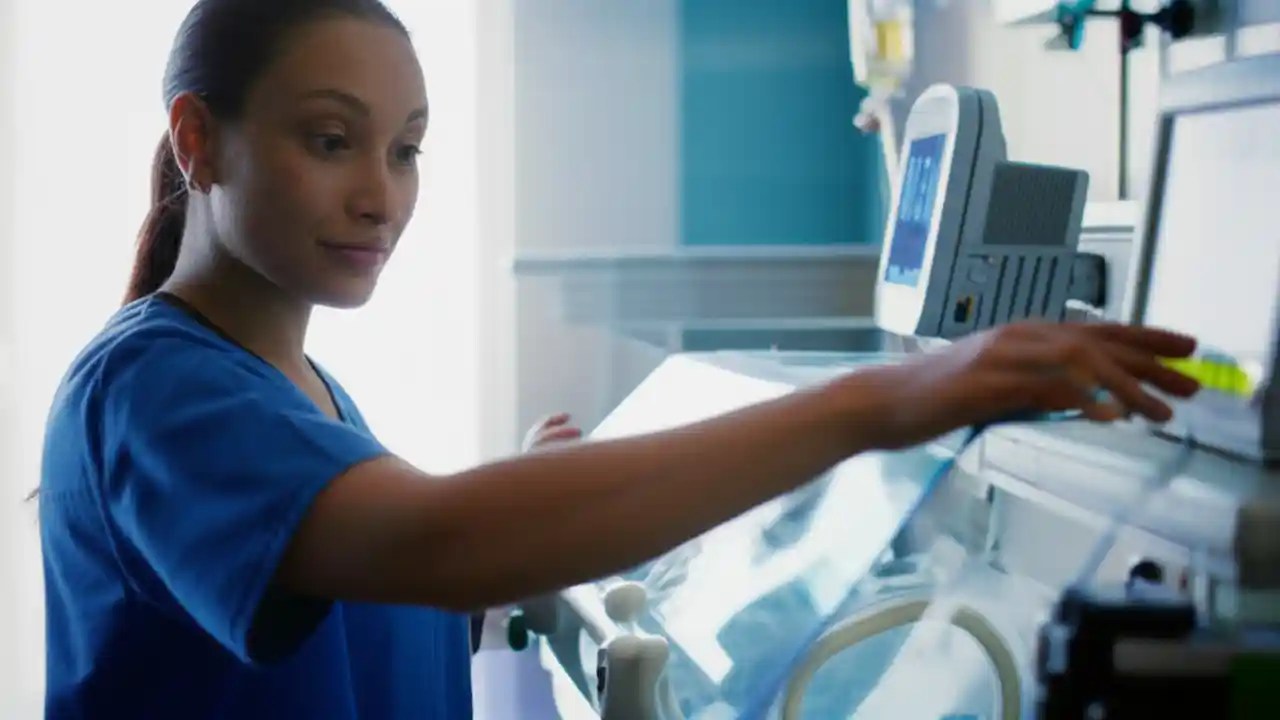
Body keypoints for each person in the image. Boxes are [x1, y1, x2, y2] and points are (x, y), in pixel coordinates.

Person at [36, 0, 1202, 718]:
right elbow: (434, 541)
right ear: (199, 139)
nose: (380, 195)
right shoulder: (150, 387)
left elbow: (400, 572)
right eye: (332, 141)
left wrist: (510, 517)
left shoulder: (311, 397)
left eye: (406, 151)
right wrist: (891, 398)